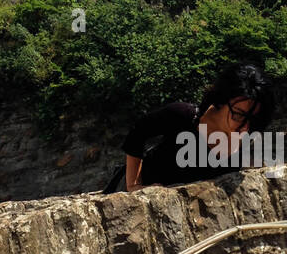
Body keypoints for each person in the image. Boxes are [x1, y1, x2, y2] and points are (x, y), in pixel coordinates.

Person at [103, 62, 276, 193]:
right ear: (222, 100)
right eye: (239, 114)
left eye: (252, 119)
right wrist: (134, 184)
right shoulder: (183, 116)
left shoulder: (245, 136)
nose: (245, 126)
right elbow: (138, 131)